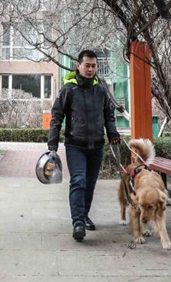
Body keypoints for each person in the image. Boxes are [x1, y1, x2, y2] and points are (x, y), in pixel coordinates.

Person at [48, 50, 121, 241]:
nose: (90, 69)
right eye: (87, 65)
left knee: (89, 184)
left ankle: (84, 215)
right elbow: (57, 116)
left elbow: (109, 115)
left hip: (97, 145)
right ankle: (78, 223)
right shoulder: (69, 89)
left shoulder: (101, 90)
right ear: (78, 65)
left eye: (93, 66)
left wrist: (112, 133)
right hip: (75, 145)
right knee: (78, 181)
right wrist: (52, 141)